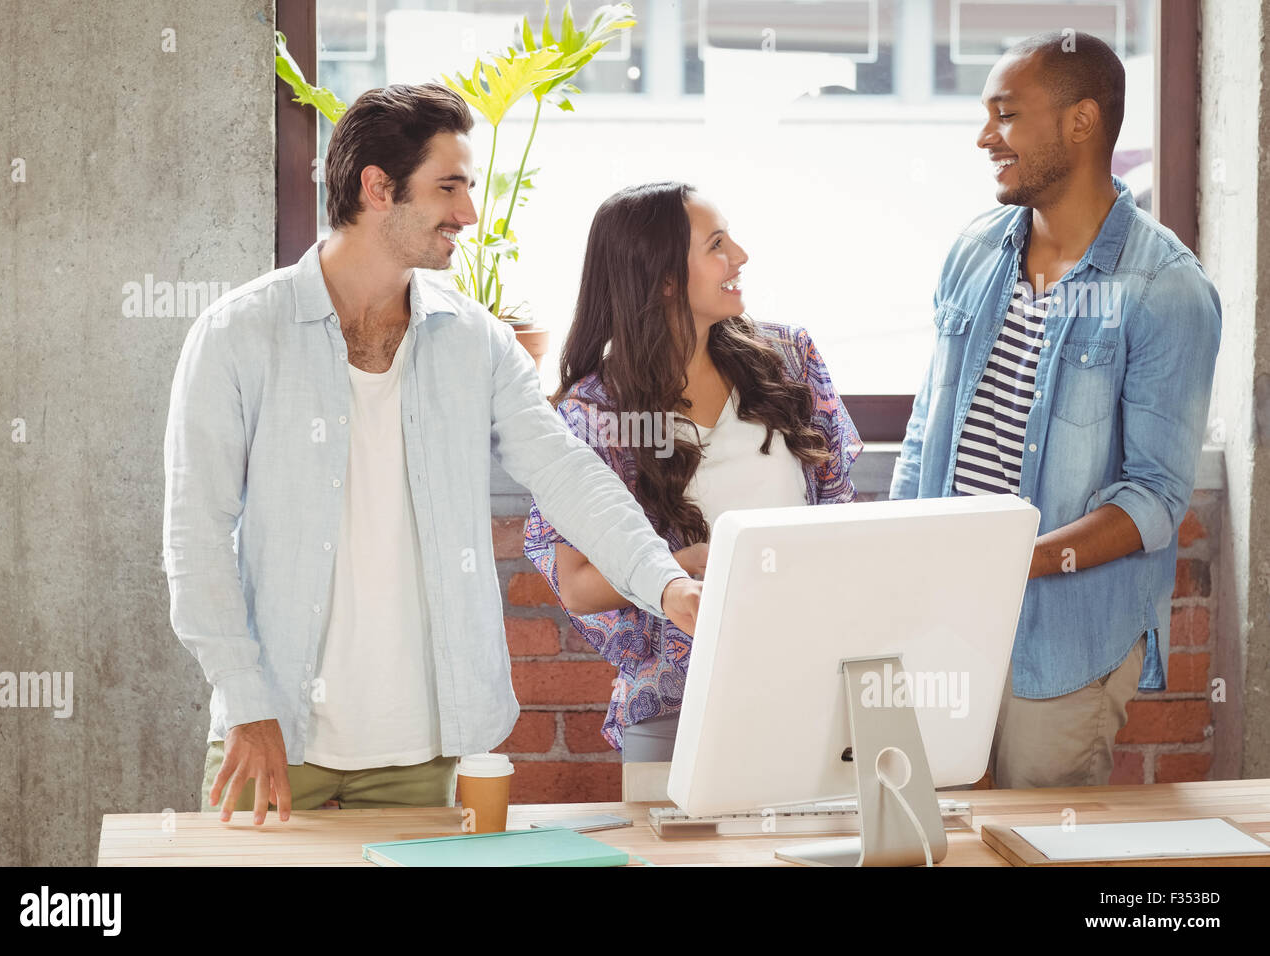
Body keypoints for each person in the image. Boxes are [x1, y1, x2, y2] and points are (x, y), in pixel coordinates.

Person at [162, 85, 701, 825]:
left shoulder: (476, 342)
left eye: (469, 187)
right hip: (275, 738)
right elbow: (194, 537)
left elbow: (569, 474)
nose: (469, 213)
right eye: (448, 187)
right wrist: (245, 702)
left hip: (428, 751)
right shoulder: (239, 335)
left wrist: (667, 586)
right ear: (377, 188)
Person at [889, 32, 1221, 789]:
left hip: (1065, 641)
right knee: (928, 833)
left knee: (1039, 842)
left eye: (1005, 116)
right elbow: (923, 435)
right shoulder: (973, 252)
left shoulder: (1165, 289)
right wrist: (903, 571)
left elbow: (1154, 498)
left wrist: (1015, 562)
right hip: (943, 624)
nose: (984, 138)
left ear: (1081, 123)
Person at [523, 182, 862, 762]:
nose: (741, 256)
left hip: (810, 684)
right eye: (716, 245)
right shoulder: (595, 411)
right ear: (663, 279)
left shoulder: (791, 357)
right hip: (678, 702)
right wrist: (677, 570)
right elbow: (576, 585)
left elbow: (838, 510)